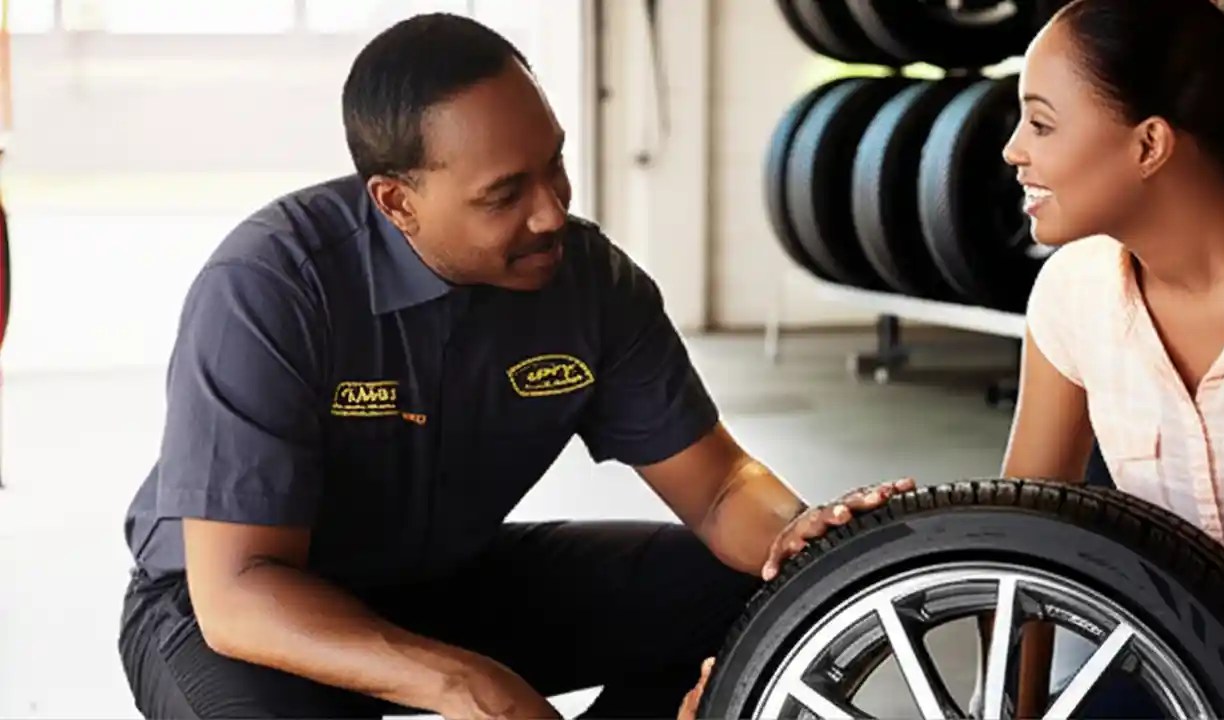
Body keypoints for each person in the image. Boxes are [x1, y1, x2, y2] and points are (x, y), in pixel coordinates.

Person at [115, 13, 913, 719]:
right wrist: (465, 684)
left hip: (442, 581)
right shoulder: (271, 286)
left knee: (754, 589)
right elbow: (238, 591)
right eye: (505, 195)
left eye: (554, 165)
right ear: (397, 203)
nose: (552, 211)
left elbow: (718, 490)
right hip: (239, 609)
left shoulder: (590, 282)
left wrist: (797, 534)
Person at [1000, 0, 1224, 715]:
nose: (1012, 150)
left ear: (1149, 145)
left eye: (1041, 122)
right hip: (1169, 662)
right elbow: (1021, 545)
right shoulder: (1074, 294)